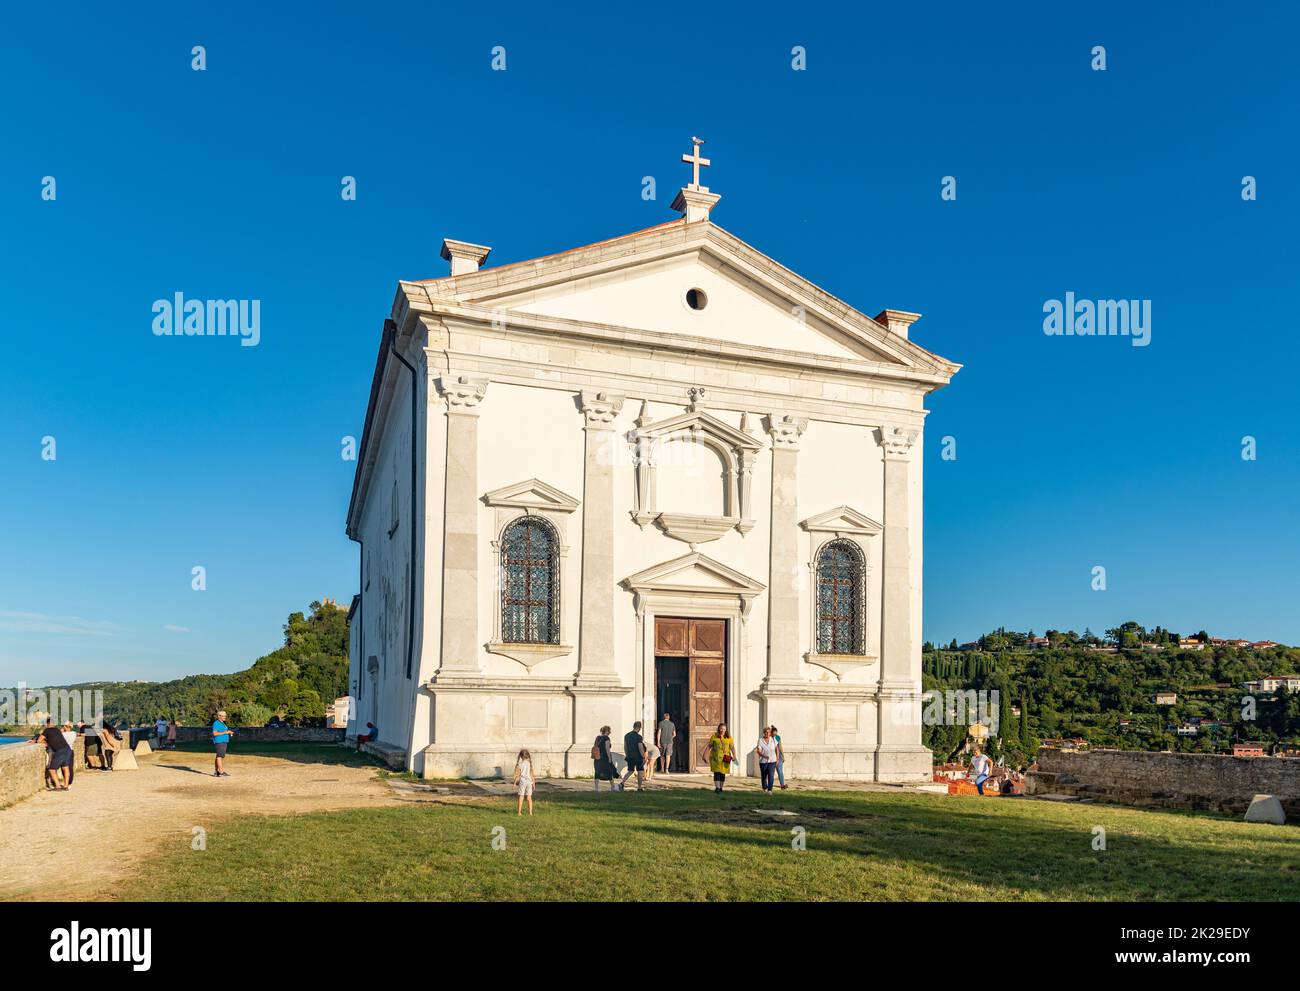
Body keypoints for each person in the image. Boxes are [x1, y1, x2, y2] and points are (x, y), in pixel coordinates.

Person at [36, 719, 72, 790]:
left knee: (52, 769)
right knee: (65, 767)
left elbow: (39, 740)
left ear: (47, 724)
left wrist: (45, 742)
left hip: (60, 750)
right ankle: (66, 786)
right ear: (54, 724)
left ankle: (58, 786)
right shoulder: (57, 730)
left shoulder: (47, 730)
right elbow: (54, 738)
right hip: (68, 749)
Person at [708, 723, 736, 794]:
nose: (722, 730)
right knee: (717, 772)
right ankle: (717, 788)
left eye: (724, 729)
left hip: (725, 758)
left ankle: (721, 787)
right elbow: (709, 746)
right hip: (715, 758)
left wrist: (734, 755)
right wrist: (705, 754)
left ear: (726, 730)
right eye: (721, 729)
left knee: (723, 773)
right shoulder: (714, 736)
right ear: (718, 729)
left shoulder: (729, 737)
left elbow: (732, 747)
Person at [620, 721, 647, 792]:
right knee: (640, 771)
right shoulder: (638, 737)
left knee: (630, 770)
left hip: (630, 756)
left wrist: (627, 754)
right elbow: (640, 747)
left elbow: (625, 746)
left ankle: (622, 783)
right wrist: (643, 756)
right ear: (639, 728)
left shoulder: (627, 735)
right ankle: (639, 787)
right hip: (638, 756)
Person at [592, 725, 618, 791]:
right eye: (609, 731)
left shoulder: (597, 737)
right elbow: (607, 749)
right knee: (609, 772)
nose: (610, 732)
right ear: (606, 731)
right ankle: (613, 787)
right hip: (604, 758)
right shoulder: (606, 738)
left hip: (597, 758)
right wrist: (609, 758)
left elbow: (595, 746)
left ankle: (596, 788)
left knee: (597, 772)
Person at [755, 725, 780, 794]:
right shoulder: (760, 740)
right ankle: (765, 788)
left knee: (771, 775)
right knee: (764, 776)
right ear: (763, 733)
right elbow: (758, 751)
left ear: (770, 733)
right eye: (765, 732)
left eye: (768, 732)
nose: (767, 733)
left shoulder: (773, 739)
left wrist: (777, 758)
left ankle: (770, 790)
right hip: (763, 761)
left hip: (773, 760)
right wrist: (763, 756)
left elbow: (776, 749)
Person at [211, 710, 233, 777]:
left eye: (225, 716)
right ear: (219, 716)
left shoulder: (223, 723)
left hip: (223, 741)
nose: (224, 717)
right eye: (223, 716)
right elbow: (214, 733)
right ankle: (221, 772)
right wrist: (226, 733)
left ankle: (216, 772)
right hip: (219, 741)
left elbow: (223, 731)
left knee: (218, 756)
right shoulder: (216, 723)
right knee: (219, 756)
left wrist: (229, 732)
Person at [514, 749, 535, 816]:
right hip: (529, 782)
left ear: (520, 756)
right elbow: (531, 774)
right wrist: (534, 783)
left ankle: (519, 812)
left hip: (523, 781)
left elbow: (518, 775)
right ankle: (530, 812)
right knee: (529, 797)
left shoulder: (520, 764)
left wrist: (515, 783)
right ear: (528, 755)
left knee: (521, 796)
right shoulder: (529, 764)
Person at [770, 724, 787, 789]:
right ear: (771, 733)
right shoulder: (769, 738)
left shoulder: (778, 737)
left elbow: (780, 747)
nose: (775, 735)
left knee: (780, 771)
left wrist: (783, 756)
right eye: (773, 734)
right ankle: (769, 786)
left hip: (778, 757)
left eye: (775, 734)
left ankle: (782, 785)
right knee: (771, 772)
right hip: (772, 757)